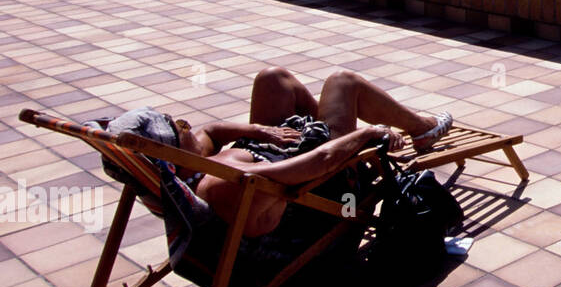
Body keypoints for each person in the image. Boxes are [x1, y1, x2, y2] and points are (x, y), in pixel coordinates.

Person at [107, 68, 451, 237]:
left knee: (272, 80)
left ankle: (335, 120)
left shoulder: (185, 168)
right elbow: (321, 163)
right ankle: (420, 128)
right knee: (343, 83)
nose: (184, 125)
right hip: (321, 185)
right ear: (170, 154)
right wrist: (365, 135)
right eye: (176, 127)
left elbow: (210, 131)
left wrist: (260, 131)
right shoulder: (219, 187)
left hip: (281, 153)